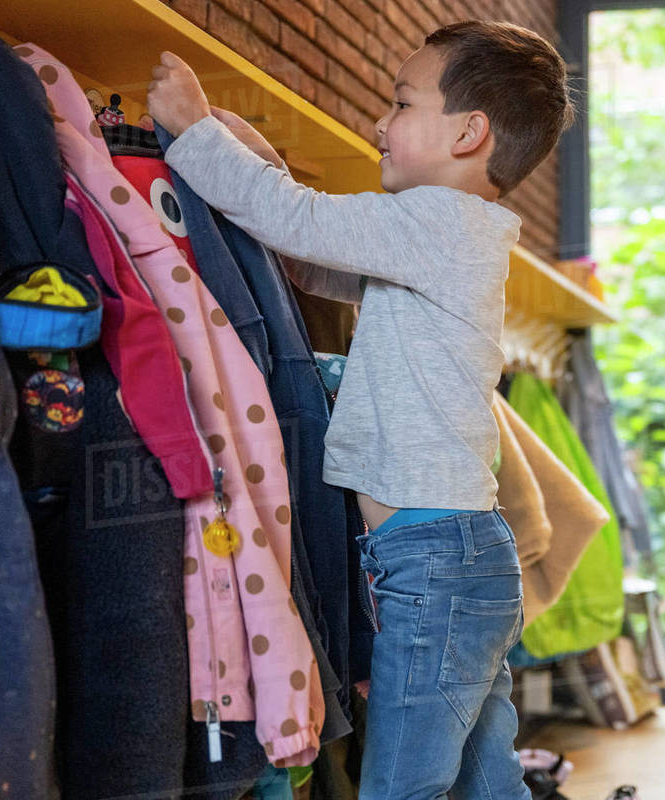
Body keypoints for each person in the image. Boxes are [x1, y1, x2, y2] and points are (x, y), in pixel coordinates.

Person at [147, 20, 573, 798]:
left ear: (469, 133)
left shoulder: (440, 220)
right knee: (485, 784)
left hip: (436, 564)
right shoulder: (443, 236)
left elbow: (299, 222)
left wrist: (195, 131)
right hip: (448, 559)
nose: (381, 121)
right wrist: (262, 165)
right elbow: (313, 261)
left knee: (399, 789)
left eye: (401, 103)